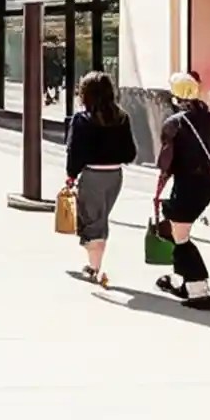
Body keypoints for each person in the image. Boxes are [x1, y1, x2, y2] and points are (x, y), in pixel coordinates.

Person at [154, 72, 210, 311]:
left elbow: (165, 162)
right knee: (180, 229)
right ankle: (183, 281)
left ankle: (199, 290)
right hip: (208, 183)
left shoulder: (174, 124)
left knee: (181, 238)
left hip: (188, 185)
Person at [65, 71, 137, 287]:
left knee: (94, 223)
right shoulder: (122, 117)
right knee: (99, 218)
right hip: (115, 175)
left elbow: (74, 151)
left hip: (92, 174)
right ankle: (93, 263)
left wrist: (71, 174)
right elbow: (130, 153)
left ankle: (94, 267)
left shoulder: (82, 119)